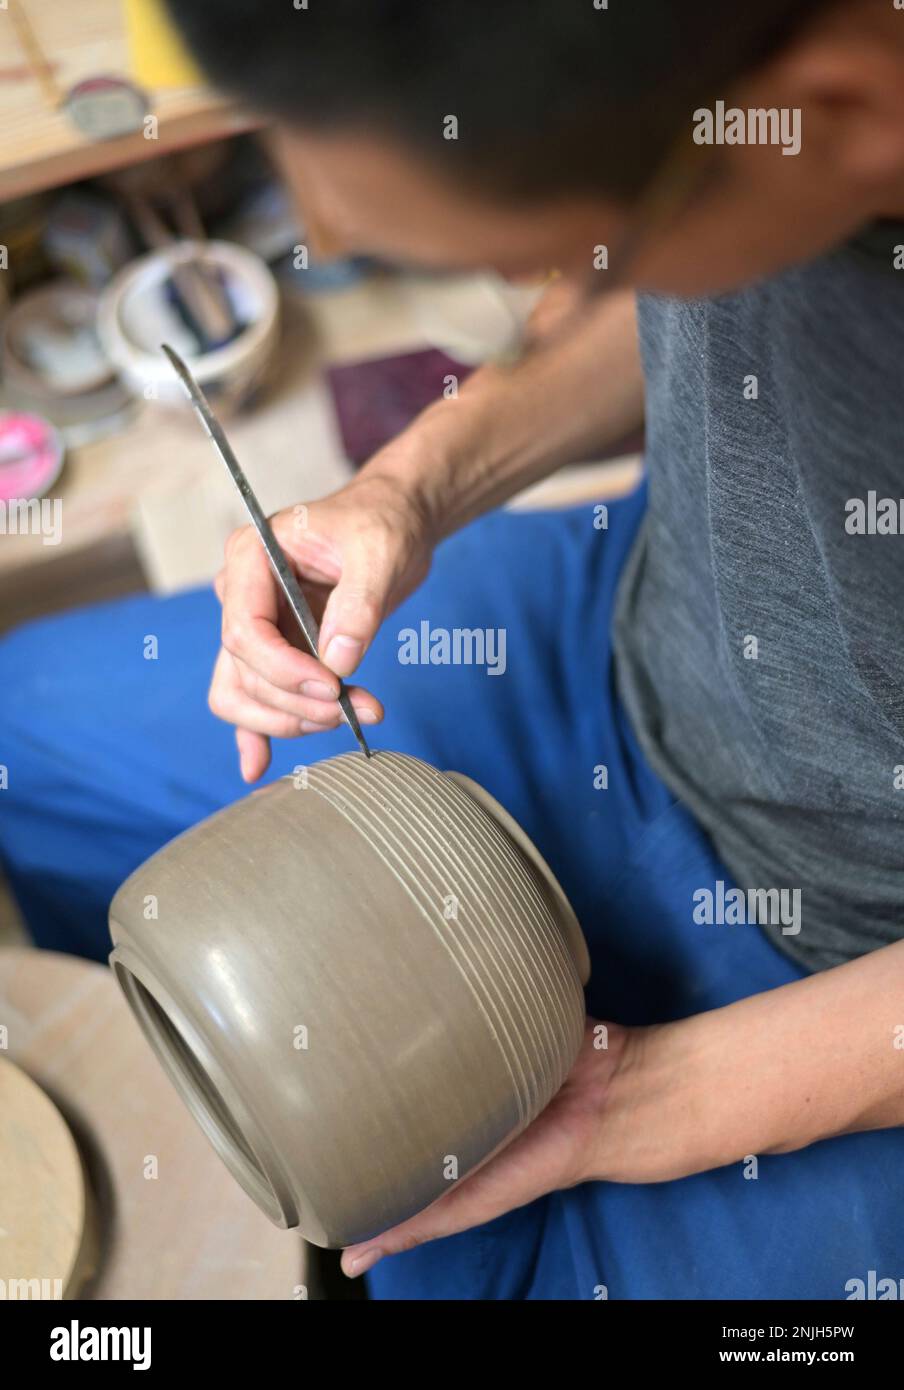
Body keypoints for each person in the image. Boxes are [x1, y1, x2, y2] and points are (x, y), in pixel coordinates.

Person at [2, 0, 904, 1298]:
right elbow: (692, 296)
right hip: (632, 626)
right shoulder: (736, 94)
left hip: (844, 966)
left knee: (442, 1256)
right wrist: (410, 487)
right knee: (30, 728)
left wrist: (648, 1103)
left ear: (837, 116)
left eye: (544, 253)